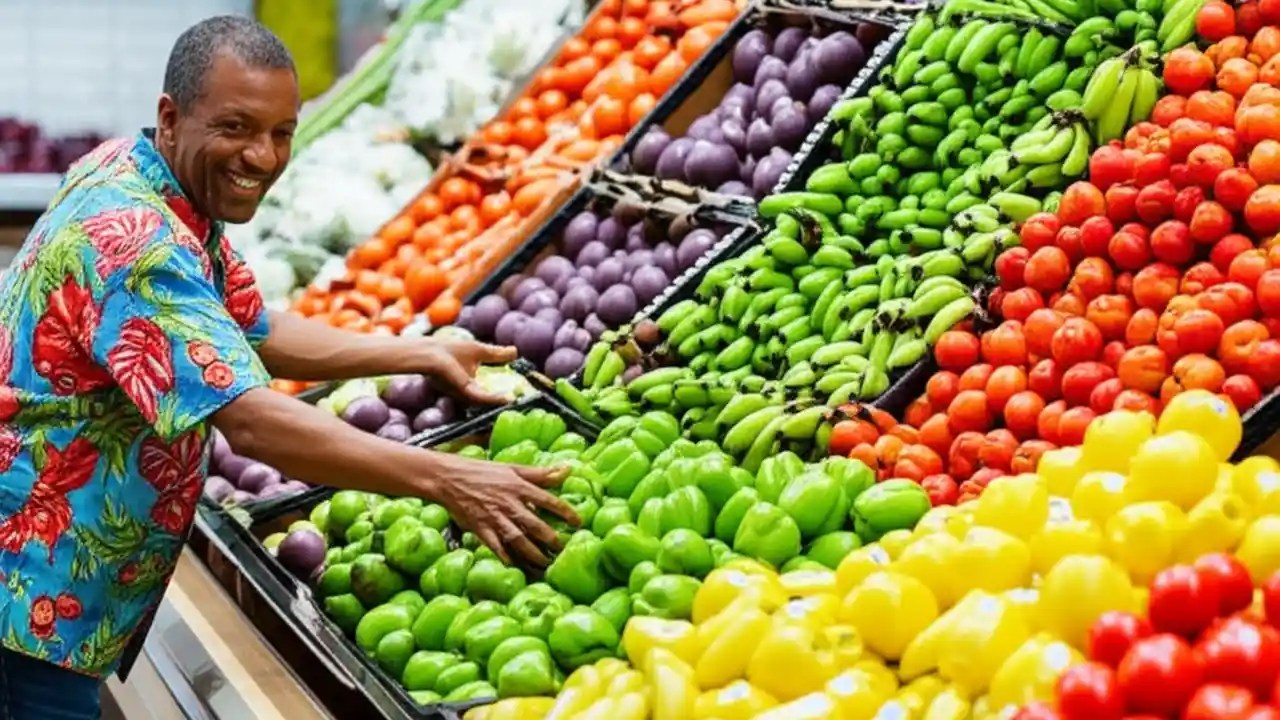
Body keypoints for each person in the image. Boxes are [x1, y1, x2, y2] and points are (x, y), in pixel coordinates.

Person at [0, 15, 577, 718]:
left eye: (281, 132)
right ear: (171, 117)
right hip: (28, 598)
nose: (264, 156)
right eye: (237, 127)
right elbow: (252, 424)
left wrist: (415, 349)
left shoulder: (144, 175)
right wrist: (446, 478)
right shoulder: (137, 243)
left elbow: (251, 326)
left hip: (60, 579)